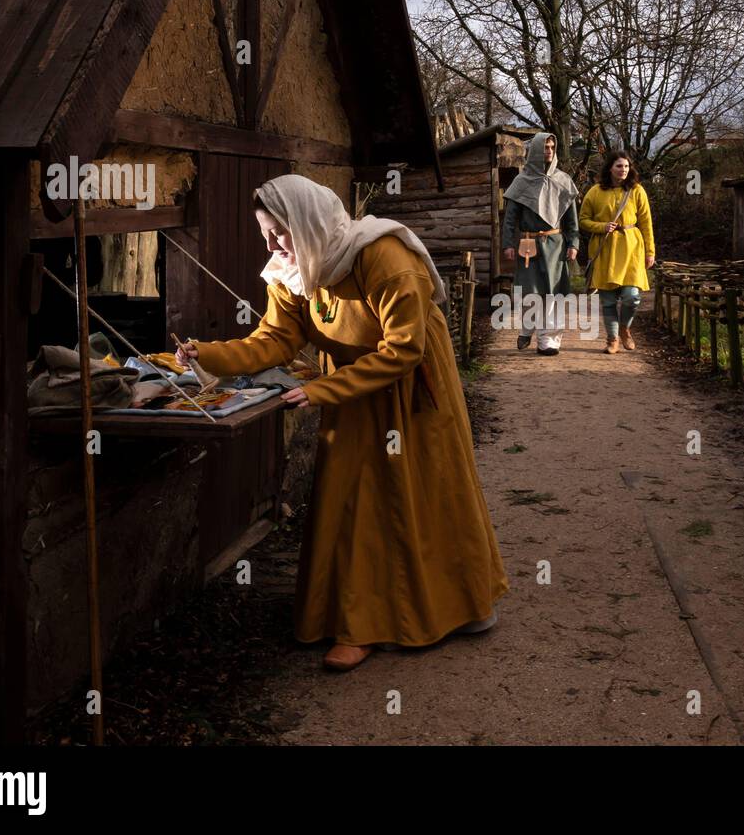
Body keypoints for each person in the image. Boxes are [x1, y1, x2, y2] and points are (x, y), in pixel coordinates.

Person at [175, 174, 507, 671]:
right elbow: (275, 342)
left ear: (307, 224)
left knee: (421, 490)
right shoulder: (295, 270)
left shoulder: (386, 259)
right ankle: (356, 618)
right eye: (264, 234)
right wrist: (208, 355)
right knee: (351, 497)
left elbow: (403, 351)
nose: (271, 246)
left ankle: (448, 606)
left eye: (278, 233)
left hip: (410, 385)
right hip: (350, 386)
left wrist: (318, 391)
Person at [500, 133, 580, 355]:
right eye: (545, 147)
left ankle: (547, 340)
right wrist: (507, 243)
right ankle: (527, 328)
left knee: (551, 294)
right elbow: (510, 219)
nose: (549, 151)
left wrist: (573, 243)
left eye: (552, 147)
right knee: (530, 294)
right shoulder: (521, 181)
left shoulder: (563, 180)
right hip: (529, 244)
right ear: (535, 150)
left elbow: (571, 219)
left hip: (555, 245)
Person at [579, 151, 656, 354]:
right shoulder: (595, 191)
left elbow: (646, 223)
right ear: (610, 168)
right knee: (608, 300)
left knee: (632, 297)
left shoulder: (637, 190)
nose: (623, 170)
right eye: (619, 166)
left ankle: (625, 329)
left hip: (631, 248)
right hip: (604, 248)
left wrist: (650, 251)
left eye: (626, 166)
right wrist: (602, 226)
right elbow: (583, 220)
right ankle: (612, 339)